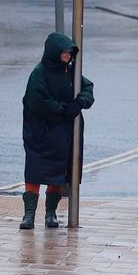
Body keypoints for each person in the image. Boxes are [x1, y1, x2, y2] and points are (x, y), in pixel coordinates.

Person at [20, 32, 95, 229]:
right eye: (65, 53)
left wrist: (79, 103)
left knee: (58, 174)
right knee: (34, 172)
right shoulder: (39, 73)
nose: (68, 56)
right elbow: (38, 102)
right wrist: (64, 110)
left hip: (63, 134)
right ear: (54, 52)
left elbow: (88, 89)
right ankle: (29, 215)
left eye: (70, 53)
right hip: (40, 133)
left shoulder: (70, 72)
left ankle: (50, 213)